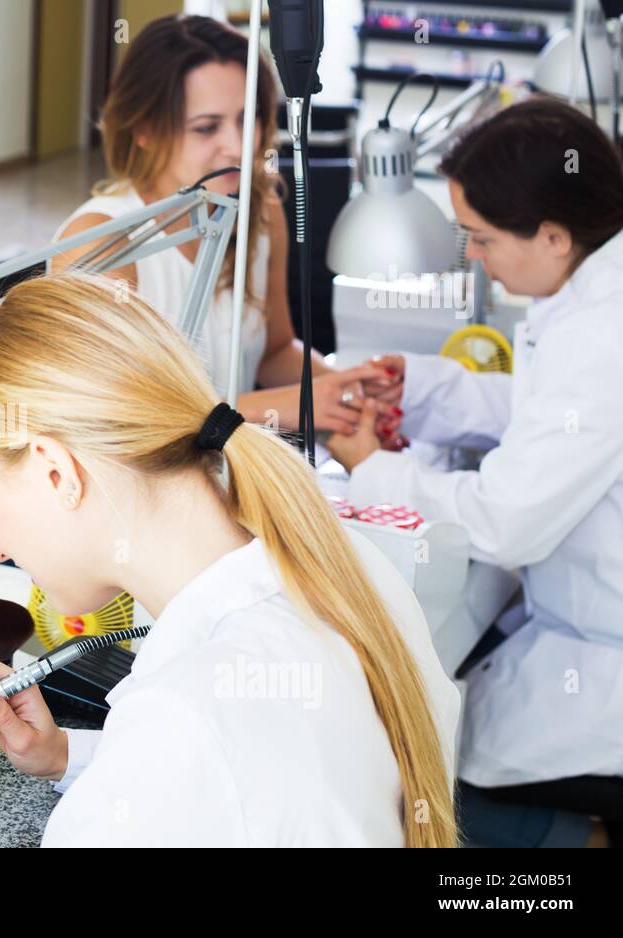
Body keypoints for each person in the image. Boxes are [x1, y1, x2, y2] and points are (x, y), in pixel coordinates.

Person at [0, 272, 460, 847]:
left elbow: (198, 759)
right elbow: (218, 792)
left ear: (57, 473)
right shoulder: (349, 563)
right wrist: (67, 755)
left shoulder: (186, 714)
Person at [329, 96, 623, 847]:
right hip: (577, 622)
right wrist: (422, 389)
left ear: (553, 237)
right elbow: (547, 416)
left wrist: (374, 470)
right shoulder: (591, 292)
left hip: (602, 653)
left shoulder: (602, 336)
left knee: (420, 764)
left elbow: (504, 521)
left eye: (483, 239)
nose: (472, 257)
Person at [51, 14, 393, 439]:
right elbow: (112, 417)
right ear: (144, 130)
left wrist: (343, 385)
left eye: (246, 119)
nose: (237, 145)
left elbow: (272, 351)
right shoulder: (105, 242)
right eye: (207, 127)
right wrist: (274, 407)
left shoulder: (260, 213)